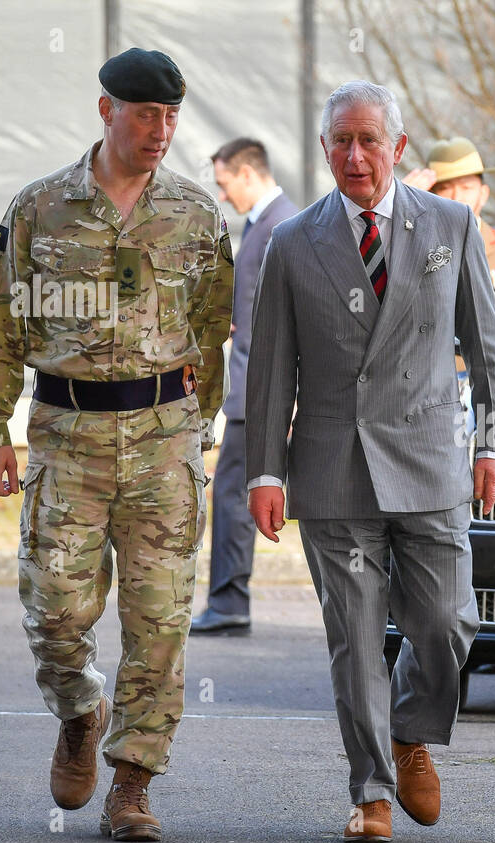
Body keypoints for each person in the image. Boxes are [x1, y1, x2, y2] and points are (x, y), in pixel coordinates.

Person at [0, 48, 233, 843]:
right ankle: (80, 711)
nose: (161, 131)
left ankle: (133, 786)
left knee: (160, 624)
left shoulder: (197, 214)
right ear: (106, 110)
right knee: (53, 613)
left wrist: (199, 431)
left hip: (163, 442)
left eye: (172, 117)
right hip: (66, 436)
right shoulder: (40, 208)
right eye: (146, 114)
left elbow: (215, 332)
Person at [244, 80, 495, 843]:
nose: (354, 155)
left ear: (398, 149)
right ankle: (370, 792)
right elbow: (270, 369)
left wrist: (494, 444)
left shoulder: (452, 226)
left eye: (369, 141)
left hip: (430, 462)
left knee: (445, 622)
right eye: (340, 141)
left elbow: (488, 353)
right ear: (325, 147)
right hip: (333, 468)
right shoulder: (294, 243)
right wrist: (265, 473)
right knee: (356, 637)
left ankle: (409, 729)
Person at [189, 138, 298, 636]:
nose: (222, 193)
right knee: (236, 493)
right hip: (253, 390)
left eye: (224, 182)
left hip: (262, 393)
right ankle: (230, 598)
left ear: (248, 174)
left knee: (234, 494)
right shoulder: (264, 224)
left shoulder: (279, 226)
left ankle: (231, 600)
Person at [403, 136, 495, 338]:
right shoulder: (405, 246)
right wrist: (401, 207)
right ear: (427, 195)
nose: (457, 198)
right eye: (445, 188)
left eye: (466, 187)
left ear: (483, 194)